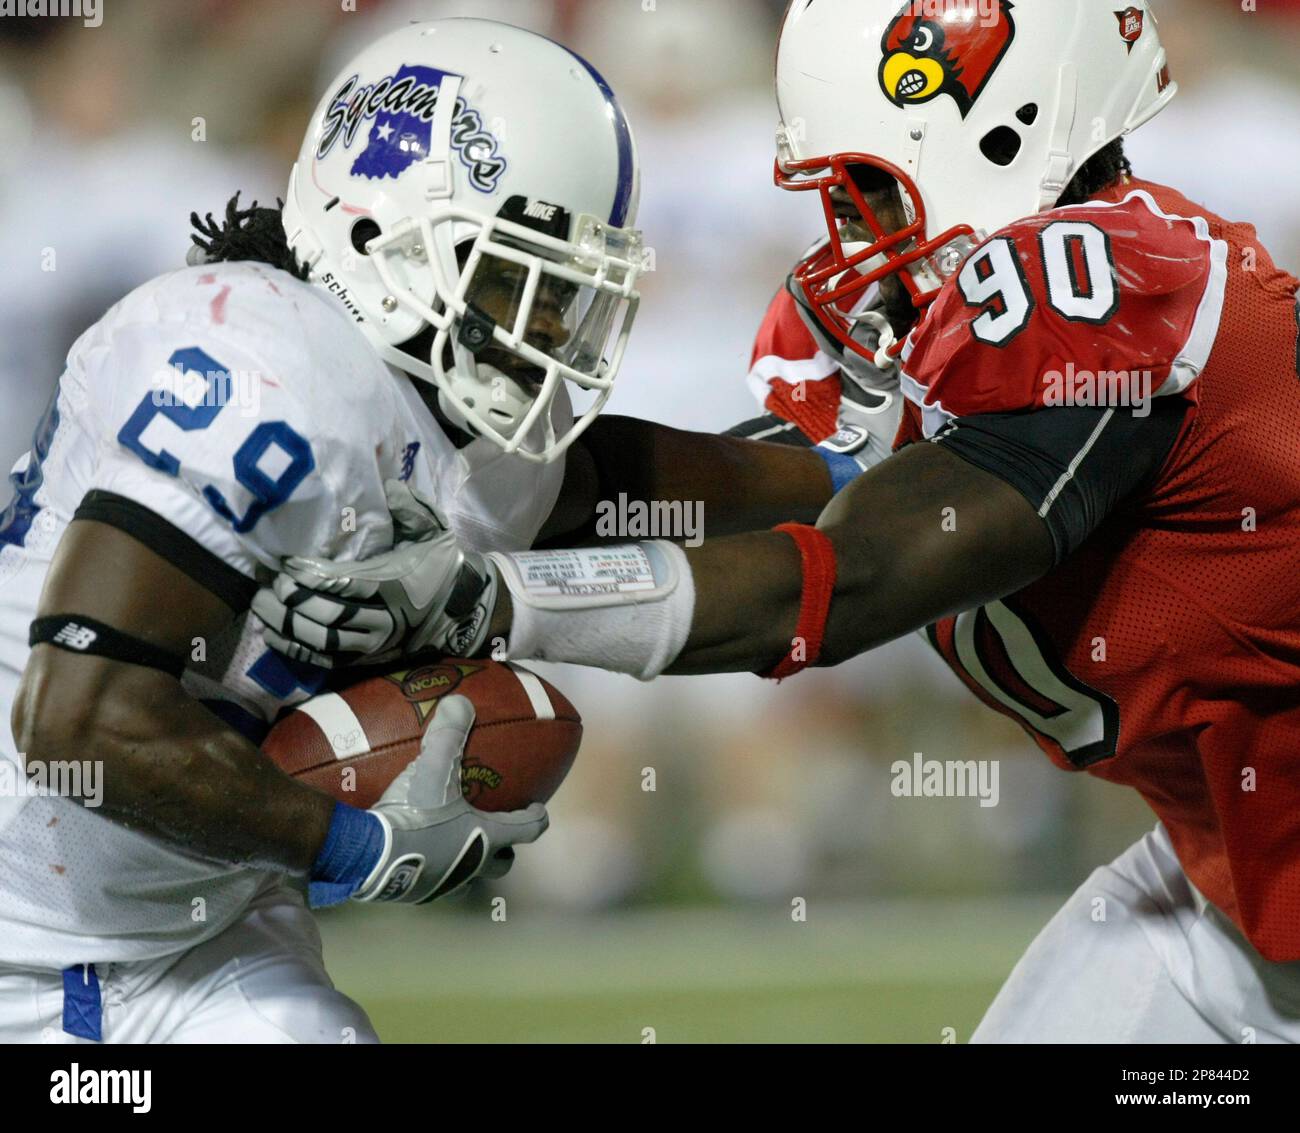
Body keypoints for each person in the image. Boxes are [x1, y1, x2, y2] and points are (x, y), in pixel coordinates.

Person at [258, 1, 1300, 1042]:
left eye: (868, 188)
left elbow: (850, 578)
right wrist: (435, 480)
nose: (846, 232)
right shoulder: (997, 307)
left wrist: (496, 601)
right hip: (1226, 888)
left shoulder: (1111, 281)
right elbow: (754, 478)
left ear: (1004, 123)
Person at [0, 17, 849, 1045]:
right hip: (30, 940)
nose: (550, 332)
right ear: (380, 234)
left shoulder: (426, 409)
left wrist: (843, 470)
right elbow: (79, 720)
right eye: (519, 284)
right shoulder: (260, 358)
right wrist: (357, 845)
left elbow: (607, 477)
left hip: (199, 916)